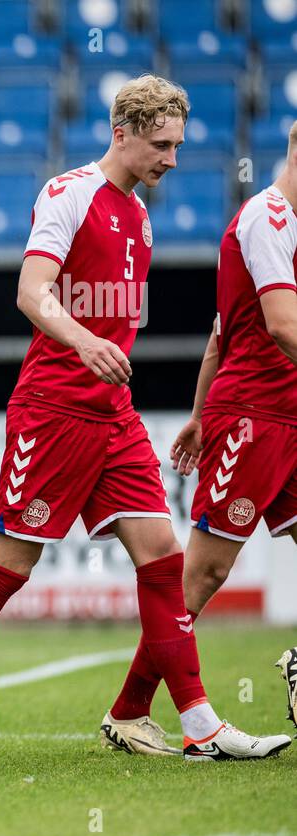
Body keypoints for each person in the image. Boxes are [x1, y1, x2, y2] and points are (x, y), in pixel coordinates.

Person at [0, 74, 289, 766]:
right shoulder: (68, 193)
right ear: (123, 133)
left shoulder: (139, 216)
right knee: (9, 569)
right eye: (162, 145)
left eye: (178, 145)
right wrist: (82, 340)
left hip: (113, 416)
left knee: (165, 563)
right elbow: (31, 292)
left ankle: (198, 724)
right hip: (52, 410)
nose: (173, 159)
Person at [125, 120, 297, 748]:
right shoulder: (267, 220)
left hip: (281, 414)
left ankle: (129, 712)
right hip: (256, 418)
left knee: (198, 577)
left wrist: (198, 413)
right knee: (200, 576)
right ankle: (133, 711)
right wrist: (215, 413)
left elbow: (223, 330)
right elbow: (279, 326)